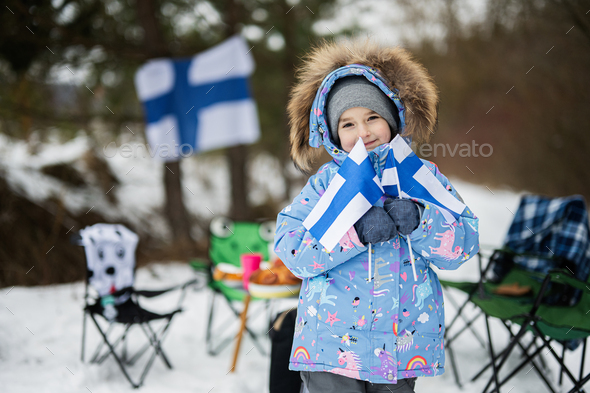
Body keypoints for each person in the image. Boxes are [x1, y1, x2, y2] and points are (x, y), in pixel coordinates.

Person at [274, 39, 480, 393]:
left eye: (372, 118)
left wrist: (420, 219)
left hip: (400, 350)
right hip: (332, 348)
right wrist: (354, 230)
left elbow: (463, 244)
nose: (363, 132)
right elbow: (293, 250)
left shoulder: (419, 178)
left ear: (392, 118)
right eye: (348, 124)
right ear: (334, 132)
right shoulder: (326, 185)